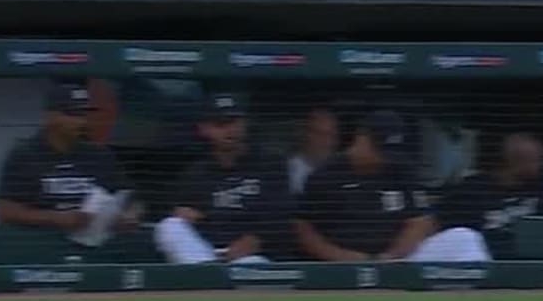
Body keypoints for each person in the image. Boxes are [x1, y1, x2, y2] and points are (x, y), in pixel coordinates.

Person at [293, 110, 491, 262]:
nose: (384, 157)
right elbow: (304, 228)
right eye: (379, 149)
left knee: (465, 238)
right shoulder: (327, 174)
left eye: (388, 150)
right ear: (361, 138)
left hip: (400, 260)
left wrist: (393, 255)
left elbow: (420, 220)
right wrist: (341, 257)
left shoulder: (401, 167)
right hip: (345, 265)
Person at [154, 92, 293, 264]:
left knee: (252, 265)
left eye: (235, 122)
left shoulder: (270, 164)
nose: (230, 130)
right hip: (208, 255)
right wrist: (184, 215)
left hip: (252, 257)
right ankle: (209, 273)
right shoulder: (197, 173)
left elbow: (281, 216)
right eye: (220, 124)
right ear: (203, 129)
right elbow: (181, 215)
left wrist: (256, 240)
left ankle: (207, 280)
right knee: (170, 226)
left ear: (245, 123)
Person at [0, 81, 134, 248]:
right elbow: (5, 212)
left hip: (95, 249)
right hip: (40, 248)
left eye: (85, 114)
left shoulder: (99, 156)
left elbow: (129, 198)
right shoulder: (24, 155)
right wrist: (57, 218)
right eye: (74, 115)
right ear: (51, 117)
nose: (83, 122)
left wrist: (129, 215)